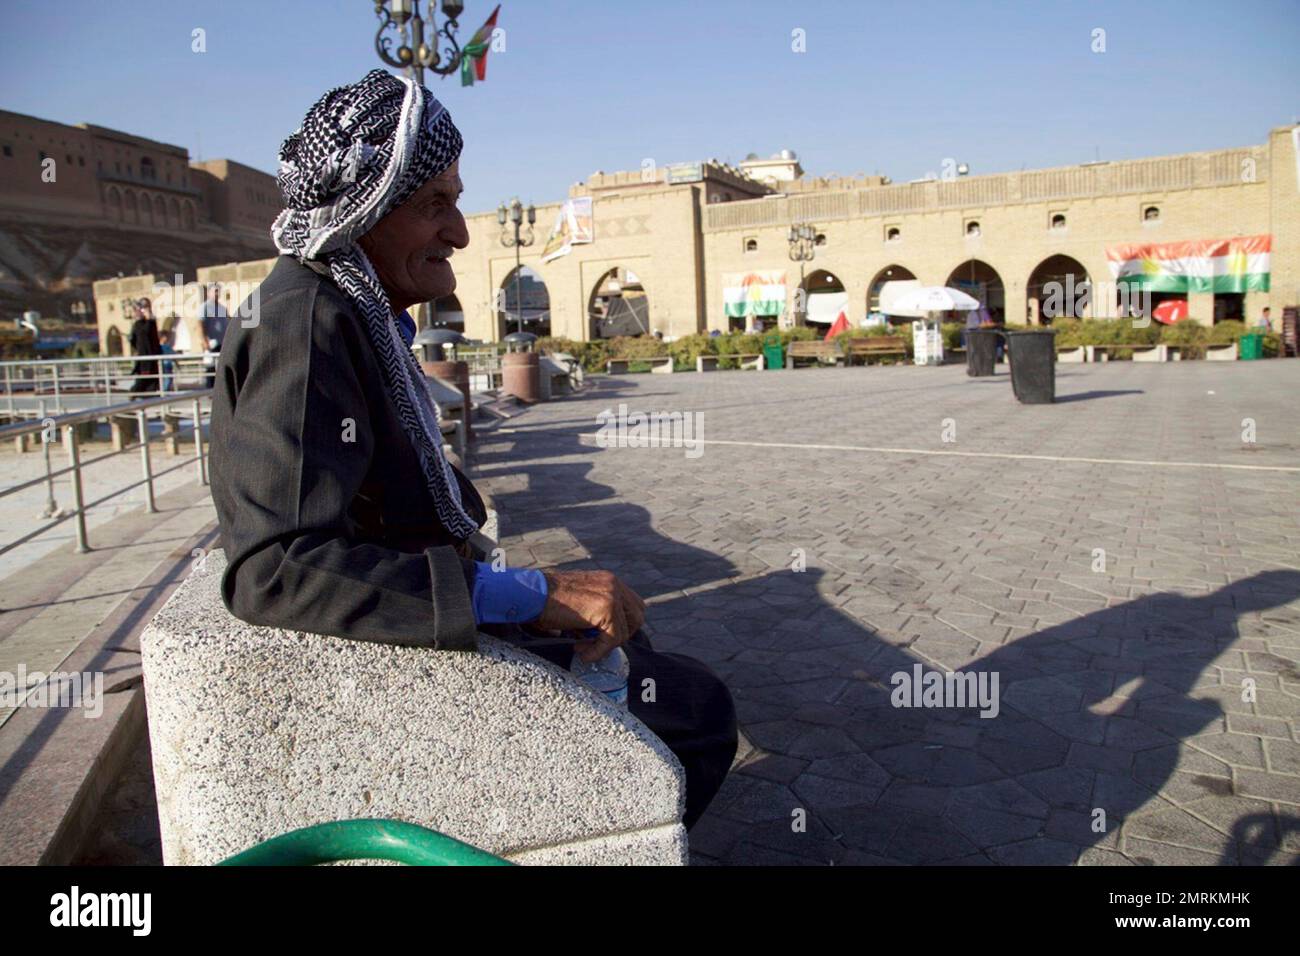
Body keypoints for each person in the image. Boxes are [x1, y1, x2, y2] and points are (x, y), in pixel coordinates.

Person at [209, 71, 737, 830]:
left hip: (412, 634)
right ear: (365, 210)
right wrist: (519, 596)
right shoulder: (304, 323)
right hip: (394, 679)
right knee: (696, 711)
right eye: (435, 206)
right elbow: (278, 571)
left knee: (629, 632)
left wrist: (528, 591)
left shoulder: (343, 304)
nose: (458, 234)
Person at [128, 298, 161, 395]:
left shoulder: (152, 322)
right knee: (143, 379)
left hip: (154, 357)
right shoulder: (138, 324)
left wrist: (150, 318)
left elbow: (154, 337)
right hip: (144, 358)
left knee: (154, 381)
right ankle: (133, 394)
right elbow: (135, 338)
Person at [200, 285, 228, 388]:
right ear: (209, 293)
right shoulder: (205, 307)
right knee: (211, 368)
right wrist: (204, 340)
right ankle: (210, 389)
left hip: (222, 342)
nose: (216, 294)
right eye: (214, 291)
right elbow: (200, 323)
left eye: (218, 291)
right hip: (212, 343)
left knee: (221, 367)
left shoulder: (221, 307)